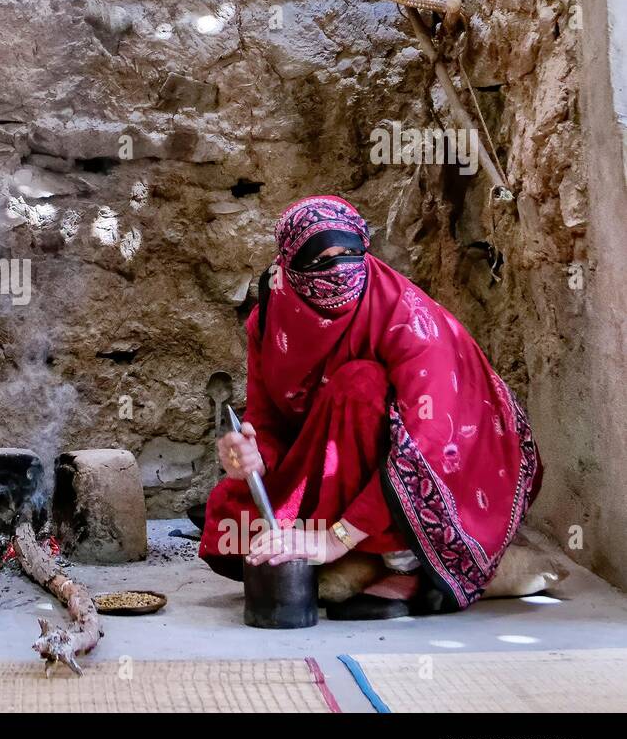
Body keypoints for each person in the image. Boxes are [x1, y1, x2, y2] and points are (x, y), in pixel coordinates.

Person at [197, 195, 542, 619]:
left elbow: (429, 441)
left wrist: (335, 539)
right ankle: (363, 549)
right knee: (236, 519)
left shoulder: (406, 316)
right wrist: (252, 457)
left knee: (360, 384)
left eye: (350, 254)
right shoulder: (272, 316)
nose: (339, 270)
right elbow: (267, 419)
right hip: (348, 447)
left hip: (462, 447)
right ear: (288, 264)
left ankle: (405, 558)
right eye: (320, 260)